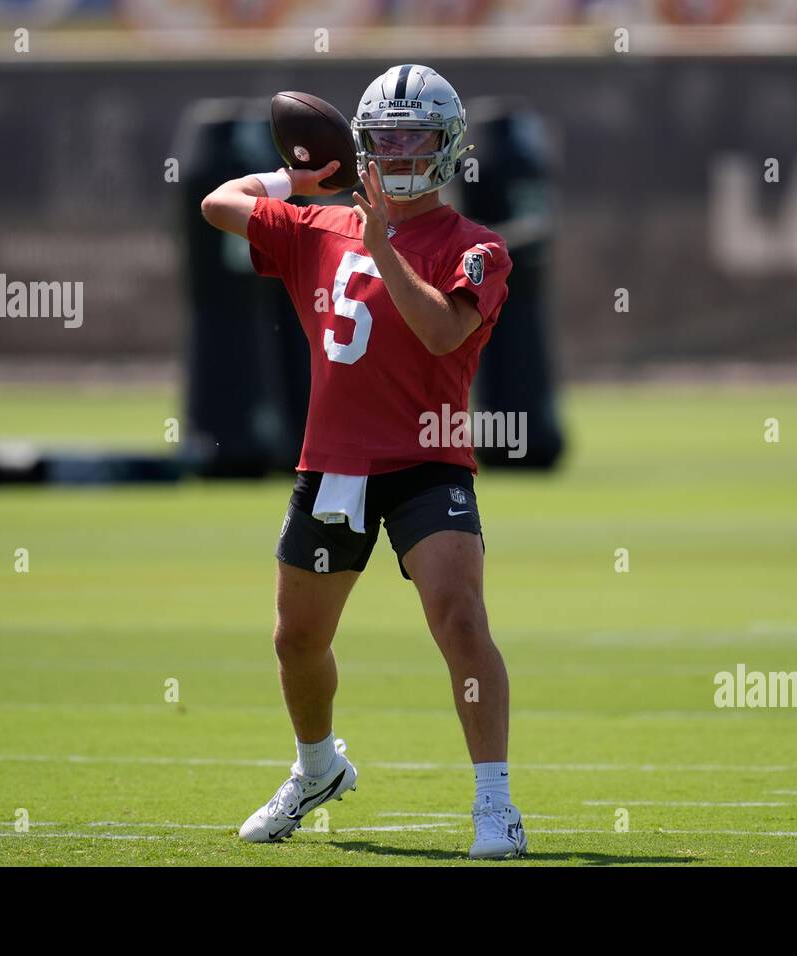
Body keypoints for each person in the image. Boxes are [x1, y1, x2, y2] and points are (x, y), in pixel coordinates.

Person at [200, 64, 525, 859]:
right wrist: (296, 177)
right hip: (333, 461)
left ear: (449, 147)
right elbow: (218, 204)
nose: (403, 152)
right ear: (362, 149)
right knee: (296, 640)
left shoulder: (475, 246)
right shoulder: (320, 225)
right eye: (387, 139)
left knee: (461, 621)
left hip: (428, 458)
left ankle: (496, 805)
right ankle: (317, 768)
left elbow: (443, 333)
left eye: (417, 137)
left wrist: (382, 248)